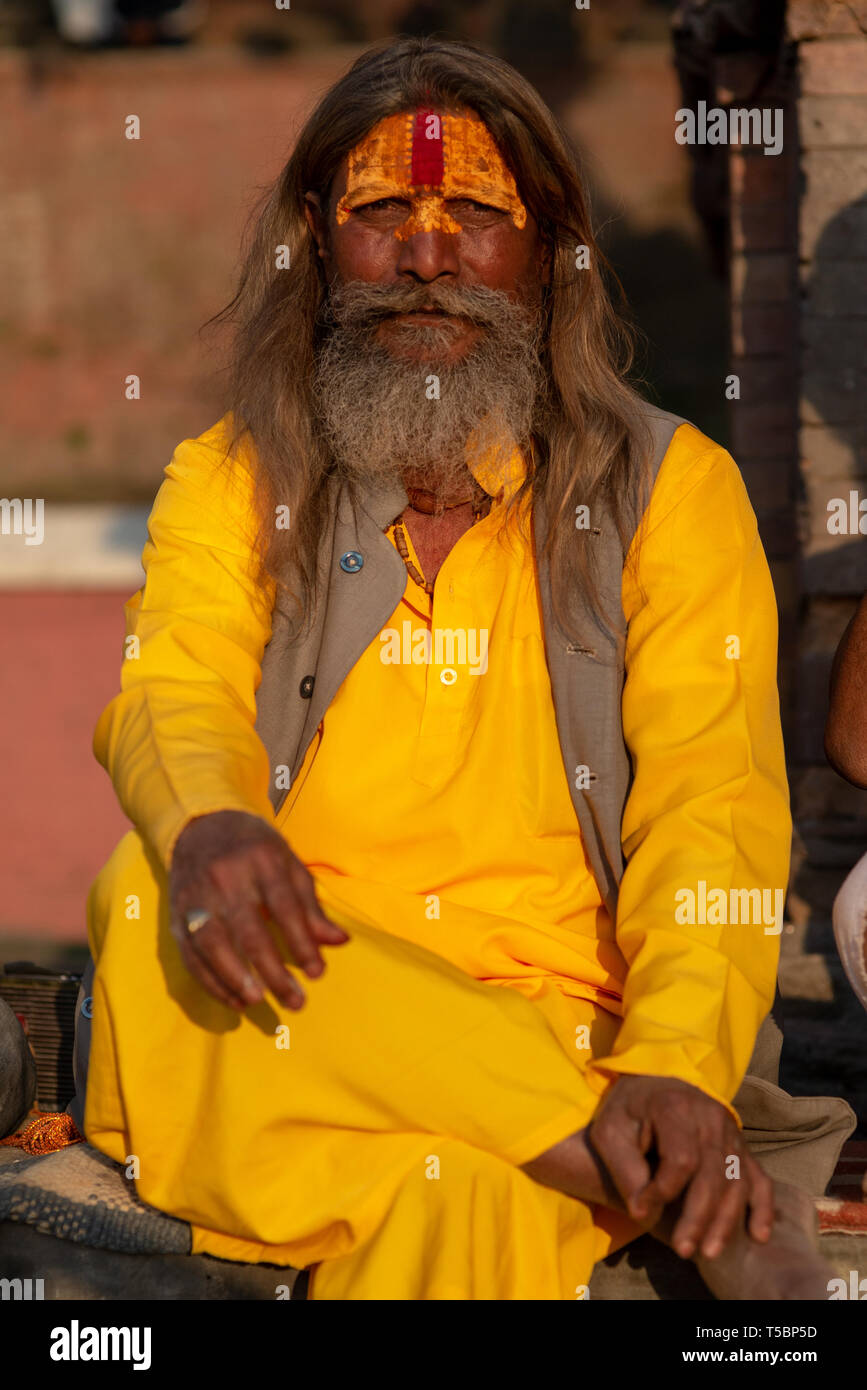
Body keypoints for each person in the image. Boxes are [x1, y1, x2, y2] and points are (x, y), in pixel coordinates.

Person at [76, 36, 853, 1300]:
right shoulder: (233, 480)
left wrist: (673, 1060)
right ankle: (624, 1164)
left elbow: (714, 812)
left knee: (467, 1181)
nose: (428, 257)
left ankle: (584, 1132)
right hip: (288, 1004)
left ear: (547, 256)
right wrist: (214, 816)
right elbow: (177, 683)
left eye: (477, 216)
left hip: (575, 1029)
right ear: (319, 242)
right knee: (145, 889)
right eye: (383, 211)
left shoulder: (670, 493)